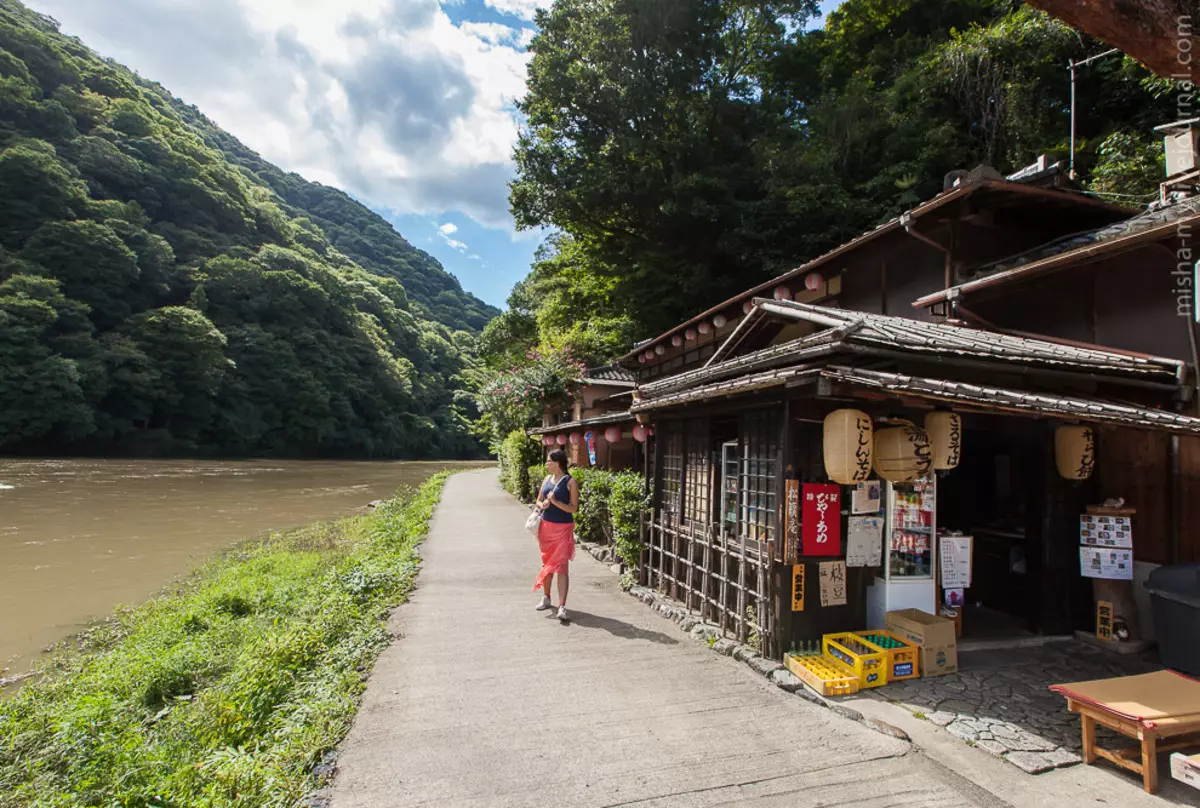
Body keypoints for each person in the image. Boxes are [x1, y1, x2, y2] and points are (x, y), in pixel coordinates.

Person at [533, 449, 578, 620]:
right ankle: (546, 597)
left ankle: (562, 606)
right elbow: (537, 500)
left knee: (562, 567)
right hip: (546, 527)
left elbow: (574, 508)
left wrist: (555, 502)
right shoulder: (546, 480)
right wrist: (543, 504)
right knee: (547, 563)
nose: (546, 464)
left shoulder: (571, 482)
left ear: (557, 463)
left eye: (548, 461)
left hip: (563, 528)